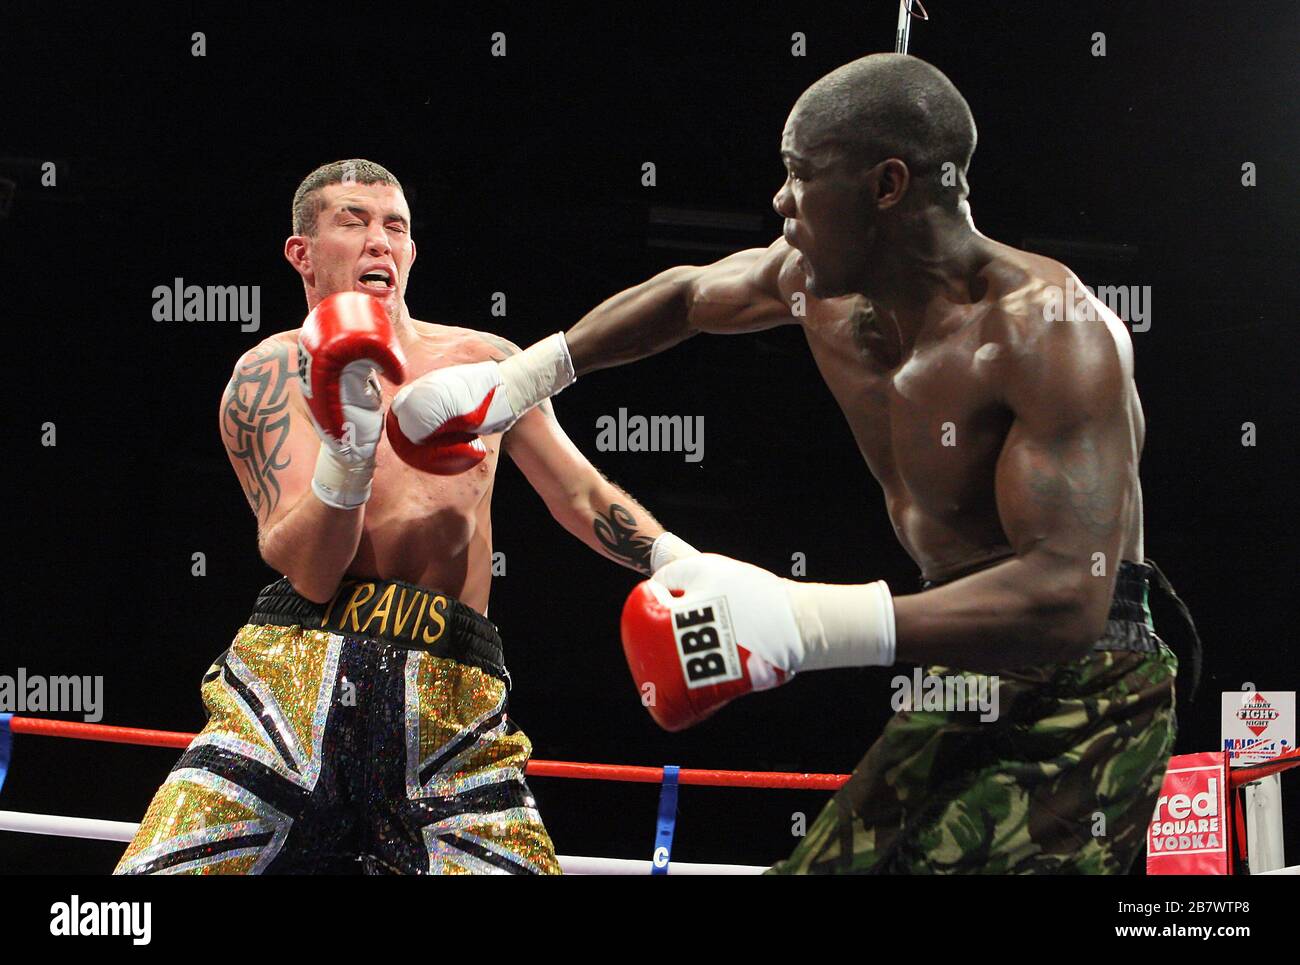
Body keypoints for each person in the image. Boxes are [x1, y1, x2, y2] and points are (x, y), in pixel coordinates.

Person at [405, 54, 1201, 874]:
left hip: (1093, 678)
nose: (779, 201)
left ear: (888, 186)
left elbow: (1069, 593)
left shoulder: (1049, 329)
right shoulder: (814, 288)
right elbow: (685, 295)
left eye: (798, 174)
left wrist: (803, 620)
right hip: (964, 665)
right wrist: (517, 381)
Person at [114, 159, 697, 875]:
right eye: (352, 222)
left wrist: (679, 560)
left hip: (449, 693)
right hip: (292, 680)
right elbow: (314, 568)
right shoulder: (267, 375)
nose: (378, 242)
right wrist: (349, 451)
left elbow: (576, 494)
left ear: (412, 253)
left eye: (395, 227)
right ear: (302, 252)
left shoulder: (484, 362)